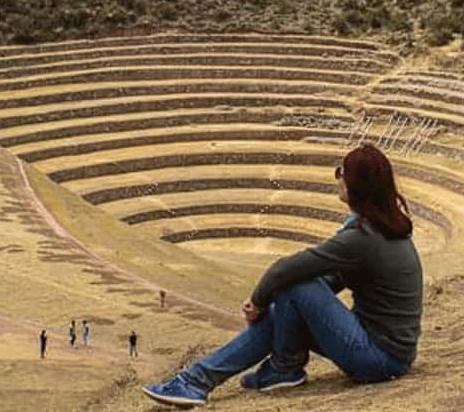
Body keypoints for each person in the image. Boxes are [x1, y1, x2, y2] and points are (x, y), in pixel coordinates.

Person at [142, 144, 423, 407]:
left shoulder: (363, 237)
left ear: (357, 186)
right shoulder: (380, 225)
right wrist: (287, 301)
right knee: (290, 296)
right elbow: (336, 277)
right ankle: (198, 380)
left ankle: (280, 368)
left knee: (295, 283)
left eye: (342, 172)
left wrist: (259, 300)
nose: (338, 178)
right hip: (385, 349)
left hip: (380, 359)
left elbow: (287, 268)